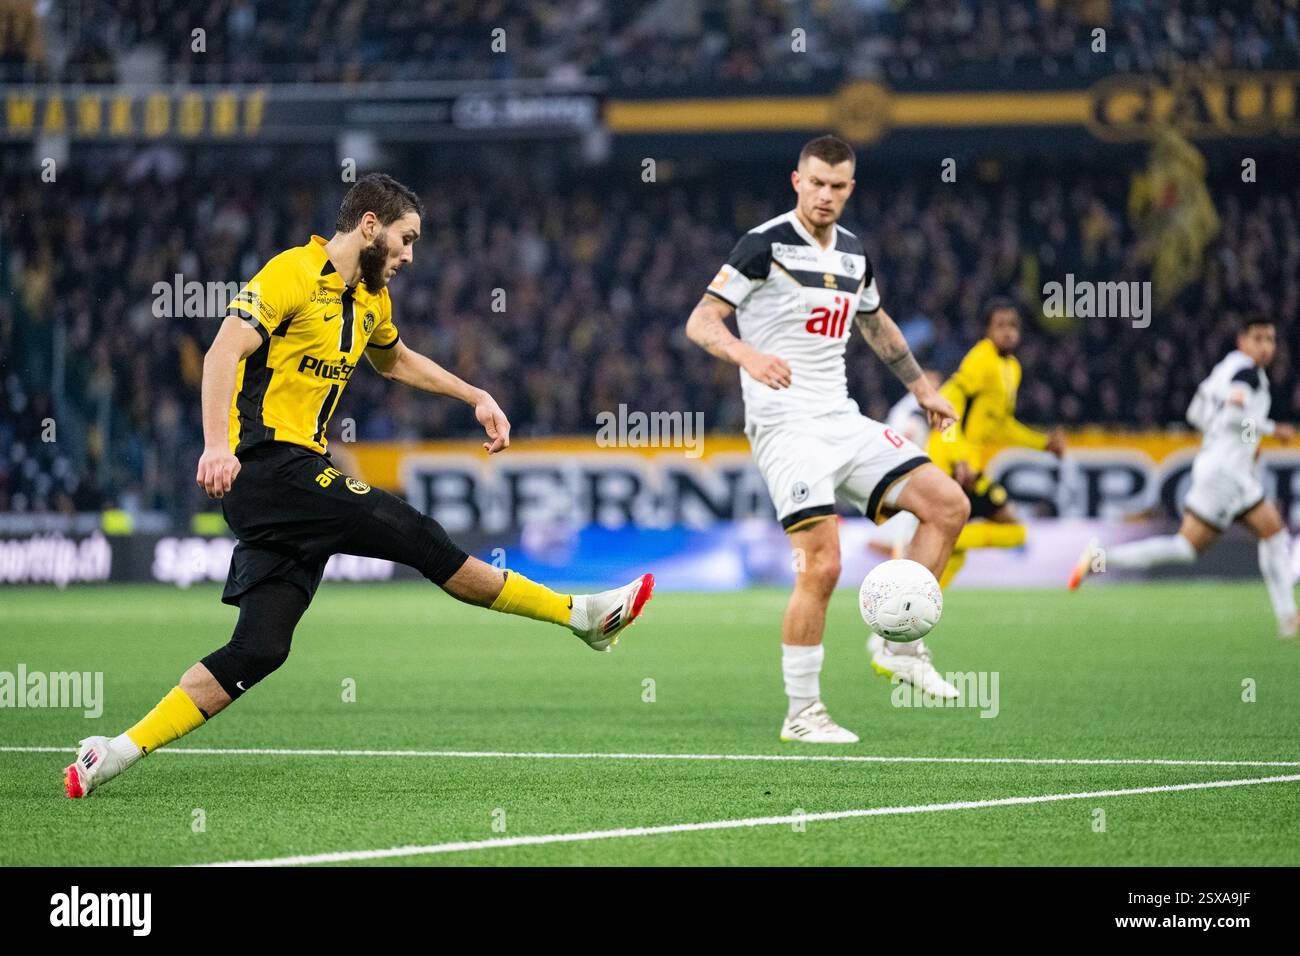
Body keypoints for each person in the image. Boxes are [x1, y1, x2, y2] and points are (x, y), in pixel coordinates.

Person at [63, 174, 653, 798]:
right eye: (405, 239)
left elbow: (394, 359)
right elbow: (221, 354)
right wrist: (215, 444)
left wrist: (475, 394)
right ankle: (578, 614)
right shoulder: (292, 272)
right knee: (417, 532)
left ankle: (114, 752)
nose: (409, 255)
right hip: (267, 468)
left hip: (291, 491)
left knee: (260, 648)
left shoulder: (370, 300)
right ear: (369, 225)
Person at [685, 135, 968, 743]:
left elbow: (875, 322)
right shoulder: (764, 244)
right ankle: (803, 713)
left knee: (948, 505)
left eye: (838, 186)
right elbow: (701, 319)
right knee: (823, 564)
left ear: (850, 190)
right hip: (786, 427)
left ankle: (900, 645)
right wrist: (747, 355)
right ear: (797, 182)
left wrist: (921, 389)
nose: (826, 195)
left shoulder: (853, 252)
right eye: (816, 183)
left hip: (842, 418)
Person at [1070, 317, 1297, 637]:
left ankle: (1289, 619)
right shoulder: (1248, 374)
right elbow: (1235, 416)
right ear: (1241, 341)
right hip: (1226, 476)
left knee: (1252, 536)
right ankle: (1288, 616)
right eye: (1257, 339)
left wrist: (1243, 442)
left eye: (1270, 340)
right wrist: (1272, 430)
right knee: (1247, 537)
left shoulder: (1225, 369)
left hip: (1222, 467)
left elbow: (1196, 414)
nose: (1265, 347)